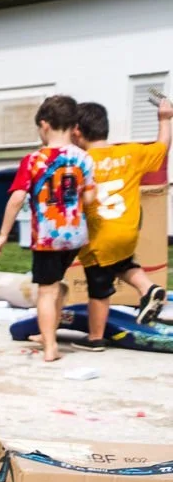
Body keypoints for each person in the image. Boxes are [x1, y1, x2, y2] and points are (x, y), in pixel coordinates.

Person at [0, 95, 96, 362]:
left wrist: (3, 234)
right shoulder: (85, 158)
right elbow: (88, 198)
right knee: (57, 286)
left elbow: (16, 199)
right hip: (75, 237)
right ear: (74, 127)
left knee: (46, 291)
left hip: (47, 238)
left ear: (44, 124)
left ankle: (50, 346)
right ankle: (47, 331)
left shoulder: (34, 160)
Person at [68, 98, 172, 349]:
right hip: (126, 233)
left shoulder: (80, 162)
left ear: (77, 131)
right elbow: (161, 148)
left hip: (99, 238)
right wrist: (164, 119)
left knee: (99, 289)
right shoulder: (130, 153)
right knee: (123, 263)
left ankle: (95, 338)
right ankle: (148, 288)